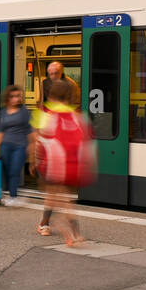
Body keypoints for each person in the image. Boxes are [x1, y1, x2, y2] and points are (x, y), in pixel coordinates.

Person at [31, 78, 90, 245]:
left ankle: (50, 224)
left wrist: (35, 162)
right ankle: (74, 232)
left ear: (51, 95)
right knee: (66, 198)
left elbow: (40, 140)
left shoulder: (48, 115)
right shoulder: (77, 115)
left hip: (53, 165)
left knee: (53, 195)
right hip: (72, 165)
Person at [0, 84, 31, 206]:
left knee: (14, 170)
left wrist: (32, 147)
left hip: (20, 146)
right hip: (5, 145)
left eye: (18, 96)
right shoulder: (2, 113)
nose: (16, 99)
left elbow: (29, 130)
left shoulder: (24, 112)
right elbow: (0, 131)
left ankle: (13, 196)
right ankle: (2, 194)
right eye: (13, 96)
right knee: (6, 170)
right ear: (8, 98)